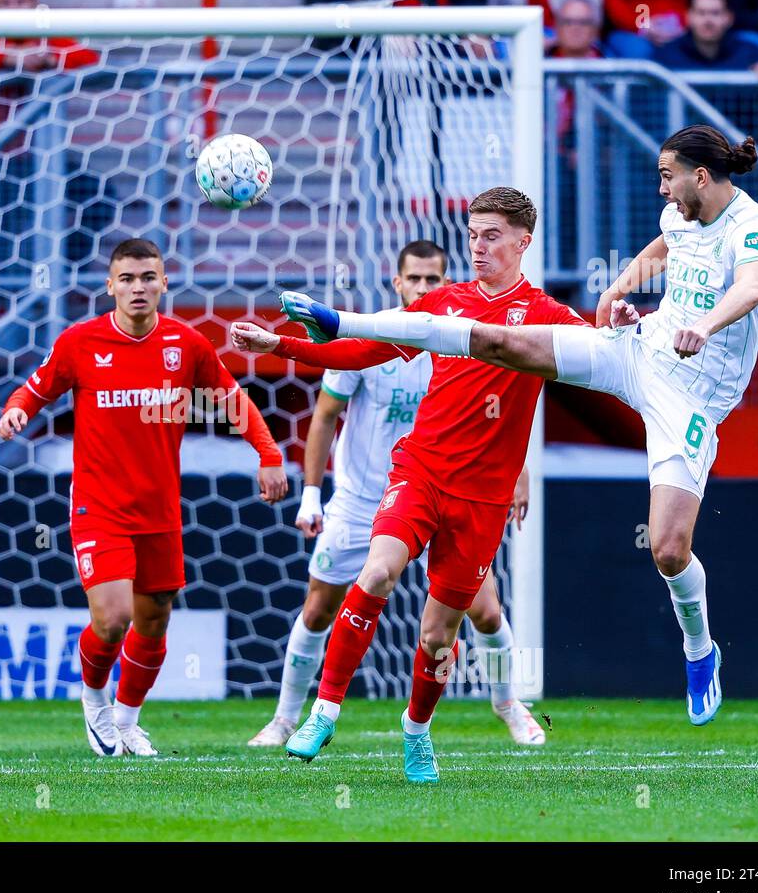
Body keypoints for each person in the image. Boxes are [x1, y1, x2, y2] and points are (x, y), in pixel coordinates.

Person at [276, 126, 758, 737]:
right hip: (638, 353)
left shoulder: (754, 228)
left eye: (668, 174)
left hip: (692, 396)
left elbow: (750, 289)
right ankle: (337, 318)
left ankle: (699, 651)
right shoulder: (679, 213)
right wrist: (620, 290)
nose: (662, 188)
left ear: (702, 177)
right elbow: (663, 250)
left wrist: (706, 323)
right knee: (497, 342)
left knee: (669, 549)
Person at [231, 187, 588, 783]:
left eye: (492, 235)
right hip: (420, 470)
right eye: (472, 234)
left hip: (483, 497)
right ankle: (322, 711)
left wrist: (635, 327)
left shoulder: (550, 315)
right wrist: (281, 344)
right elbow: (358, 350)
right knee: (376, 573)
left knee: (437, 632)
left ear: (524, 242)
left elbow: (605, 352)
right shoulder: (444, 304)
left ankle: (417, 730)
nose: (478, 246)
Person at [0, 238, 288, 757]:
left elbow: (231, 399)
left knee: (154, 619)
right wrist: (16, 410)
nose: (138, 287)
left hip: (159, 510)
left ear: (163, 284)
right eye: (127, 279)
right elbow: (35, 388)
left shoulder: (187, 345)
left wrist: (267, 454)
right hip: (98, 507)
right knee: (112, 619)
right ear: (110, 286)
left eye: (148, 278)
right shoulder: (80, 343)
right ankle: (94, 701)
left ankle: (128, 720)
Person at [655, 0, 758, 80]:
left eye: (715, 13)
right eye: (701, 13)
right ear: (688, 17)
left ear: (729, 18)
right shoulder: (666, 57)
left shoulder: (750, 55)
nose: (708, 21)